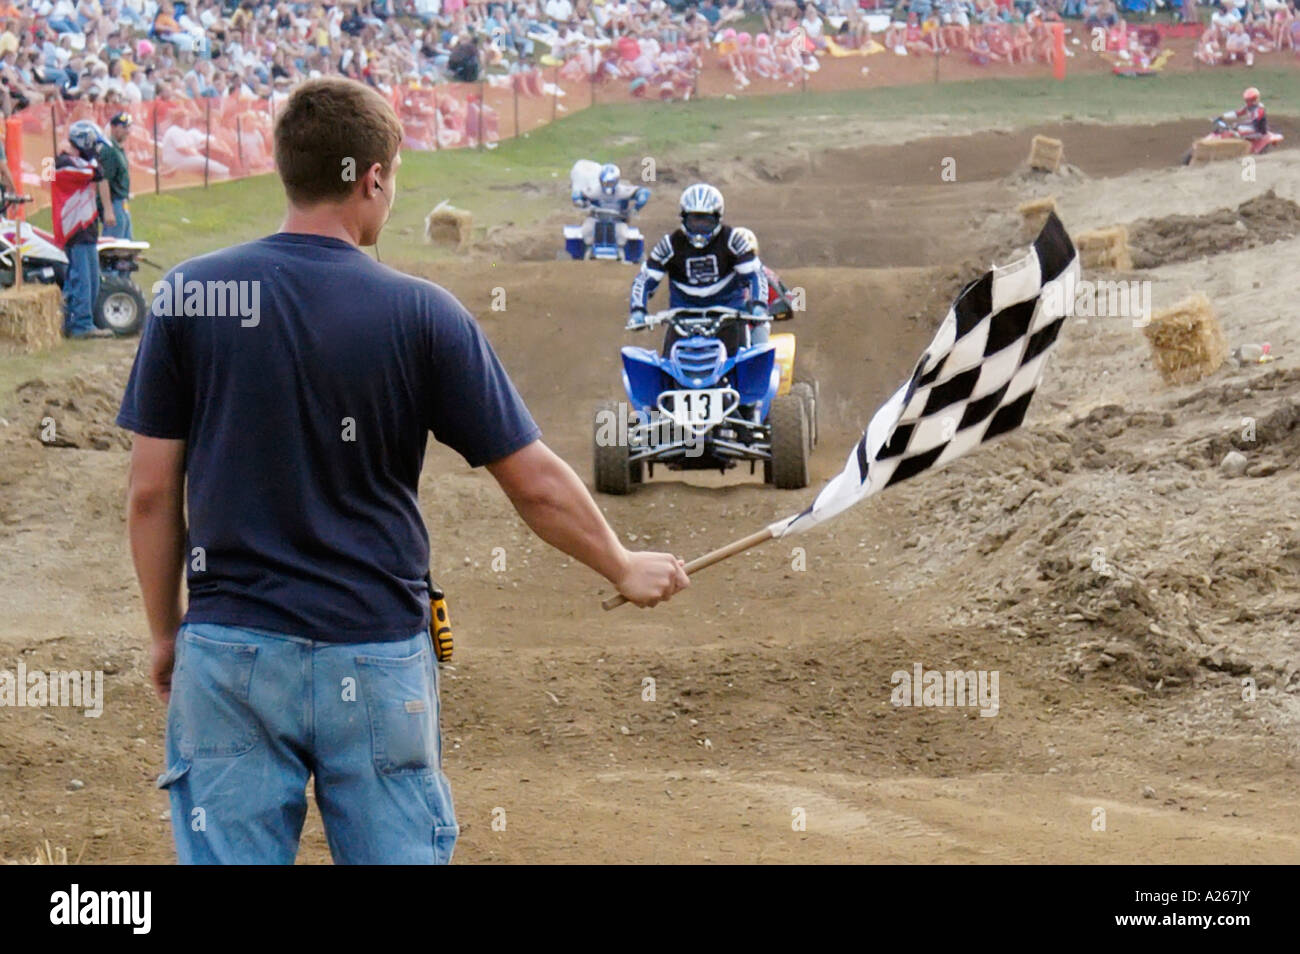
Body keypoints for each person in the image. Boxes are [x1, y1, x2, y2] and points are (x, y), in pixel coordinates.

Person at [115, 78, 687, 866]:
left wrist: (163, 633)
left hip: (230, 650)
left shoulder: (192, 295)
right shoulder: (424, 314)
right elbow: (535, 482)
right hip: (376, 651)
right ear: (370, 178)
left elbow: (150, 494)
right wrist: (621, 564)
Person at [628, 182, 769, 353]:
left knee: (746, 367)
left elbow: (755, 274)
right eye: (694, 220)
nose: (700, 228)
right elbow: (645, 279)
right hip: (682, 319)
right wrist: (638, 310)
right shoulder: (670, 244)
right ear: (684, 218)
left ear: (717, 218)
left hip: (728, 318)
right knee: (665, 370)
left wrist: (759, 305)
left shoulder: (732, 240)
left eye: (706, 221)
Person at [52, 119, 115, 339]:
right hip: (74, 228)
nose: (96, 150)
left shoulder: (77, 161)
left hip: (86, 226)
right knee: (82, 278)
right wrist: (88, 157)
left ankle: (82, 320)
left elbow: (97, 170)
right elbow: (95, 172)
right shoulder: (64, 163)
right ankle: (80, 324)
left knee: (92, 278)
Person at [572, 161, 650, 253]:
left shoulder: (623, 191)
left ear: (616, 180)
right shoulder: (594, 191)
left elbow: (644, 192)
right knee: (587, 231)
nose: (608, 185)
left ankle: (620, 253)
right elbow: (577, 194)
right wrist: (582, 203)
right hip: (596, 218)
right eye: (605, 183)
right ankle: (588, 250)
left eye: (610, 183)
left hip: (617, 220)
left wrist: (635, 208)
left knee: (621, 235)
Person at [98, 110, 133, 238]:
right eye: (123, 127)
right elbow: (103, 180)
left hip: (122, 202)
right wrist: (108, 210)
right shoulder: (109, 150)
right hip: (114, 202)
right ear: (113, 127)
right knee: (115, 243)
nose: (127, 131)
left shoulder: (118, 149)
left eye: (129, 127)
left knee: (126, 243)